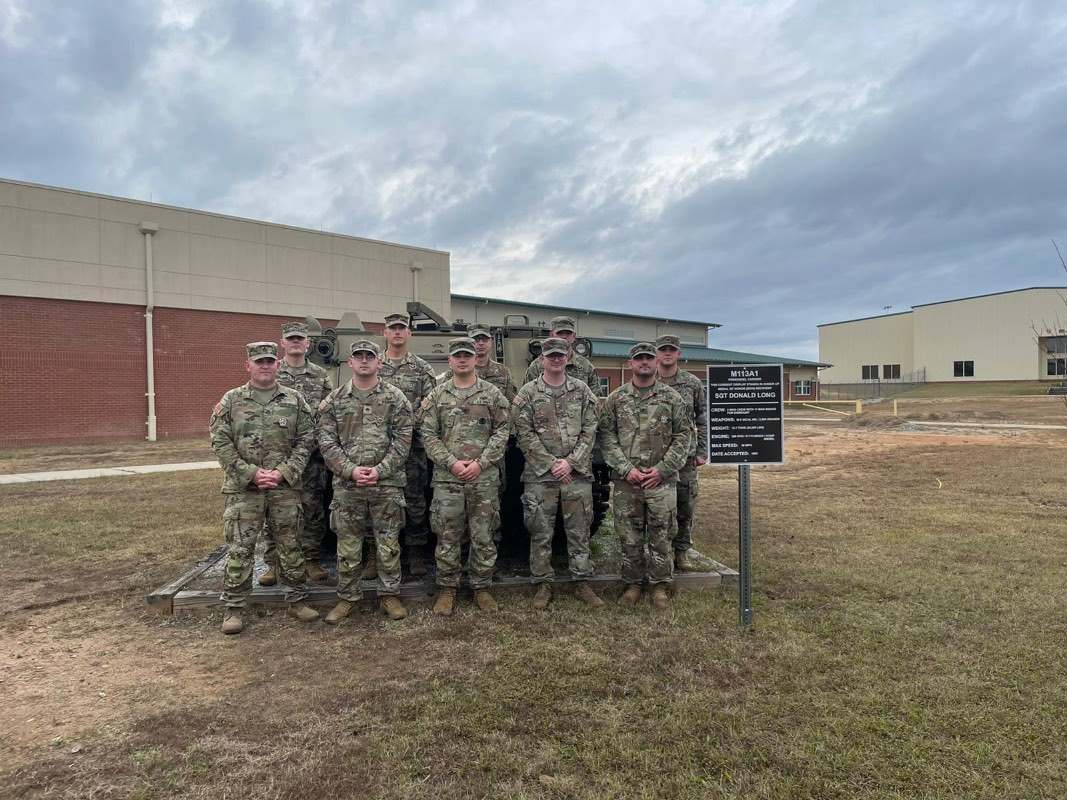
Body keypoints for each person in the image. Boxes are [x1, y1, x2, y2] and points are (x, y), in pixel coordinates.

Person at [209, 341, 319, 634]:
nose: (265, 366)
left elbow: (307, 440)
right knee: (241, 548)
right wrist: (251, 473)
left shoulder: (294, 400)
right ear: (248, 366)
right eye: (259, 362)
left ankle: (297, 600)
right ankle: (234, 607)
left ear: (278, 364)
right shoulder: (231, 401)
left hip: (284, 488)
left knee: (291, 544)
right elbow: (220, 442)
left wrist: (283, 472)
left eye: (270, 361)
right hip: (245, 489)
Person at [317, 339, 413, 623]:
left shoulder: (396, 398)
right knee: (347, 543)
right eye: (357, 356)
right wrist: (350, 470)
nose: (363, 361)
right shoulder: (334, 400)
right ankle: (347, 597)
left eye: (369, 356)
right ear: (350, 363)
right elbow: (326, 441)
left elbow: (403, 439)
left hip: (387, 484)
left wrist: (381, 469)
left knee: (388, 543)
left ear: (378, 362)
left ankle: (389, 595)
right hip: (348, 486)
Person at [597, 342, 692, 610]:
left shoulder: (672, 397)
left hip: (661, 480)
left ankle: (660, 584)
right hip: (628, 481)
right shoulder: (616, 398)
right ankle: (633, 583)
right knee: (629, 534)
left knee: (662, 533)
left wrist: (663, 470)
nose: (644, 363)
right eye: (639, 359)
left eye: (649, 358)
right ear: (631, 364)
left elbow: (684, 435)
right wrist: (627, 469)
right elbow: (607, 436)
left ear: (655, 362)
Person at [420, 337, 511, 616]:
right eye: (457, 356)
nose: (462, 360)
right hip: (448, 478)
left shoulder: (493, 394)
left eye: (467, 355)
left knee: (483, 533)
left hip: (483, 477)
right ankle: (448, 587)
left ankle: (481, 586)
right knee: (447, 534)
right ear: (450, 361)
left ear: (475, 360)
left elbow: (503, 430)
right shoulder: (437, 395)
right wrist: (452, 462)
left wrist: (481, 463)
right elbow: (427, 434)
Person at [512, 337, 604, 609]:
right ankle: (542, 582)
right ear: (541, 360)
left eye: (559, 355)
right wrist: (552, 463)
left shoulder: (582, 390)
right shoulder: (528, 393)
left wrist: (571, 463)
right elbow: (523, 433)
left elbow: (590, 430)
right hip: (540, 476)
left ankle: (581, 581)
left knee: (579, 530)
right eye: (550, 355)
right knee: (540, 531)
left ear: (567, 358)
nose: (555, 359)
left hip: (576, 475)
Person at [266, 320, 335, 585]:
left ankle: (311, 560)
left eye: (300, 339)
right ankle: (274, 563)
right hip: (277, 455)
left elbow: (330, 414)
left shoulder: (320, 376)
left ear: (308, 344)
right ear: (283, 343)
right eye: (290, 339)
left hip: (312, 457)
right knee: (275, 511)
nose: (295, 342)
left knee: (312, 508)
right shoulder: (271, 371)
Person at [378, 312, 438, 577]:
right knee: (378, 501)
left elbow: (430, 408)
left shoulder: (422, 368)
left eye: (402, 328)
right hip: (378, 448)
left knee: (414, 500)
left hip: (413, 448)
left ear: (410, 333)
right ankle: (375, 554)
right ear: (385, 333)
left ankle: (416, 552)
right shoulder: (372, 363)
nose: (398, 332)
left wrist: (404, 425)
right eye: (393, 329)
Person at [655, 334, 710, 572]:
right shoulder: (647, 379)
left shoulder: (692, 383)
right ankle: (658, 552)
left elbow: (703, 418)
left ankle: (682, 552)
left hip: (685, 457)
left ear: (679, 353)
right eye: (663, 349)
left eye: (672, 350)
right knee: (657, 508)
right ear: (657, 353)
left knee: (685, 505)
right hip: (654, 457)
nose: (667, 353)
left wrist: (702, 450)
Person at [523, 315, 598, 390]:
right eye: (560, 333)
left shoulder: (586, 366)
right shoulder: (537, 366)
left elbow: (595, 398)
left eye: (568, 333)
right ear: (551, 335)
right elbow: (526, 396)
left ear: (574, 336)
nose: (564, 336)